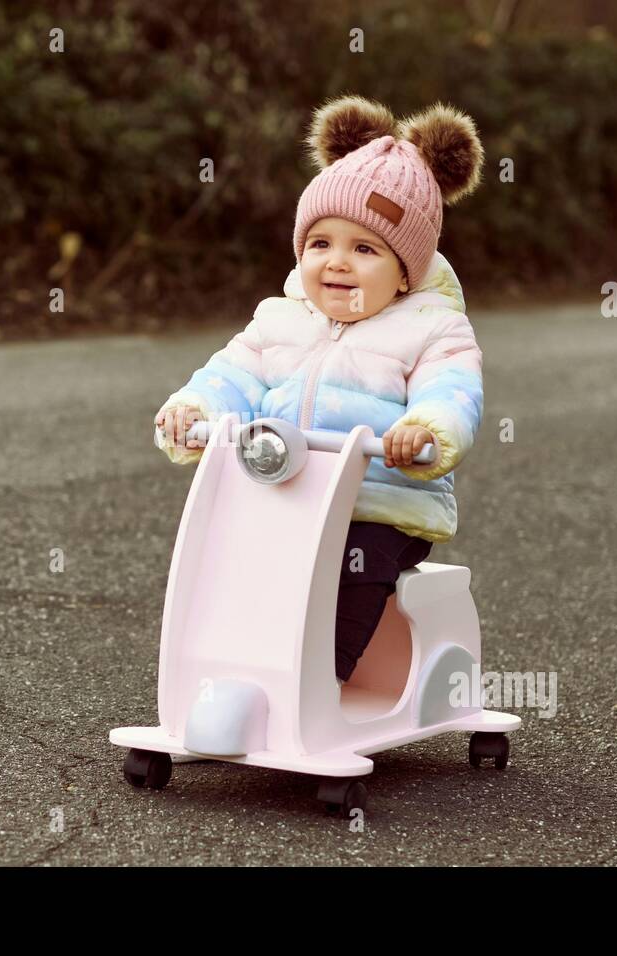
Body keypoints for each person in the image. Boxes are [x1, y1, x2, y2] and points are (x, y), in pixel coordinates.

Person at [155, 94, 485, 689]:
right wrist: (195, 409)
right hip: (282, 494)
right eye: (320, 244)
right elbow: (234, 374)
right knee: (225, 561)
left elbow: (453, 389)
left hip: (379, 508)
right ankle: (224, 679)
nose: (337, 263)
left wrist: (426, 431)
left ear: (407, 270)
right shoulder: (280, 319)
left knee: (348, 577)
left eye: (364, 249)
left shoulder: (433, 328)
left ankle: (319, 686)